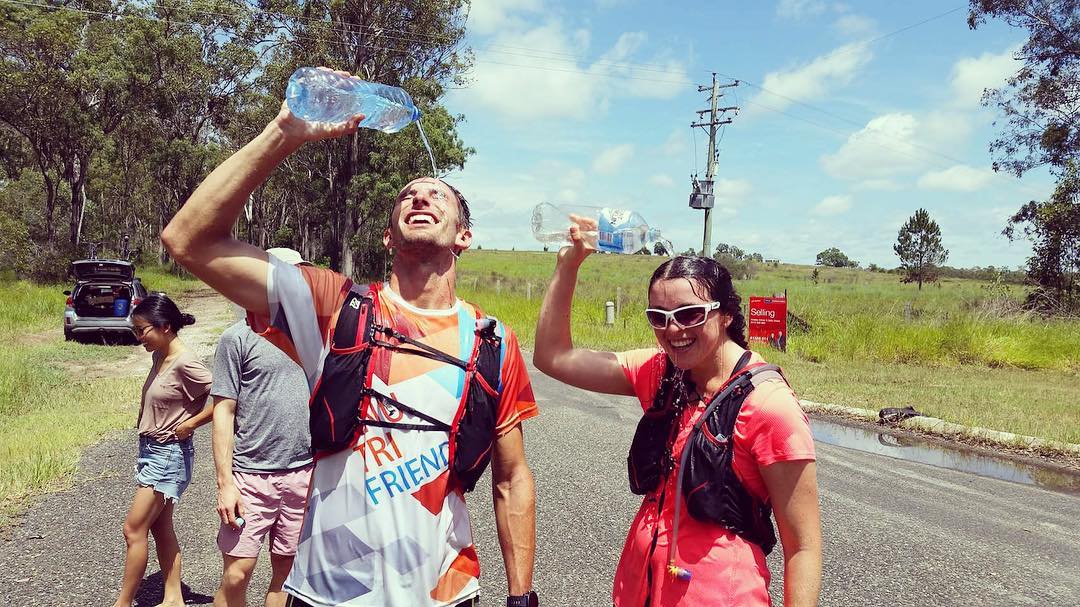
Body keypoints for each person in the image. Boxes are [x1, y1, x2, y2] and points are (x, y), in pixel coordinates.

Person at [161, 72, 539, 607]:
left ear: (464, 236)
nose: (419, 196)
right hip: (327, 591)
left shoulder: (492, 340)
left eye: (436, 193)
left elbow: (512, 476)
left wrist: (522, 595)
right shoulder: (334, 306)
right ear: (388, 236)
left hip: (446, 592)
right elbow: (188, 239)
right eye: (407, 195)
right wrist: (284, 132)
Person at [533, 222, 821, 607]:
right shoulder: (663, 373)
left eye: (690, 314)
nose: (673, 330)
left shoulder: (768, 405)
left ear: (726, 315)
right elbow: (554, 357)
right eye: (658, 316)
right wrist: (568, 266)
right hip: (642, 590)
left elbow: (803, 547)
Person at [210, 248, 315, 607]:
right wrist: (226, 484)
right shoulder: (235, 339)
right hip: (251, 477)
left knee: (285, 575)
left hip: (303, 474)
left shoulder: (314, 337)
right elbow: (222, 411)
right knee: (237, 575)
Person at [114, 293, 214, 607]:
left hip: (168, 454)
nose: (139, 337)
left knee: (133, 529)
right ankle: (173, 598)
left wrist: (192, 423)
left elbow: (227, 397)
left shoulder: (186, 362)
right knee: (159, 526)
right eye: (135, 330)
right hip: (151, 450)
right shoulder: (160, 355)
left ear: (165, 326)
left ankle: (123, 603)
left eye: (143, 330)